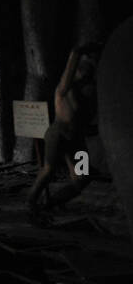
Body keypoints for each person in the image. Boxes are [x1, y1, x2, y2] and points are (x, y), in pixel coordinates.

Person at [27, 44, 100, 220]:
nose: (87, 79)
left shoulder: (85, 99)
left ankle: (52, 203)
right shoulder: (64, 89)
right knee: (48, 170)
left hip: (75, 141)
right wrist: (86, 49)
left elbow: (84, 125)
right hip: (57, 134)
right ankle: (31, 203)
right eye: (84, 74)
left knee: (82, 178)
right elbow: (74, 52)